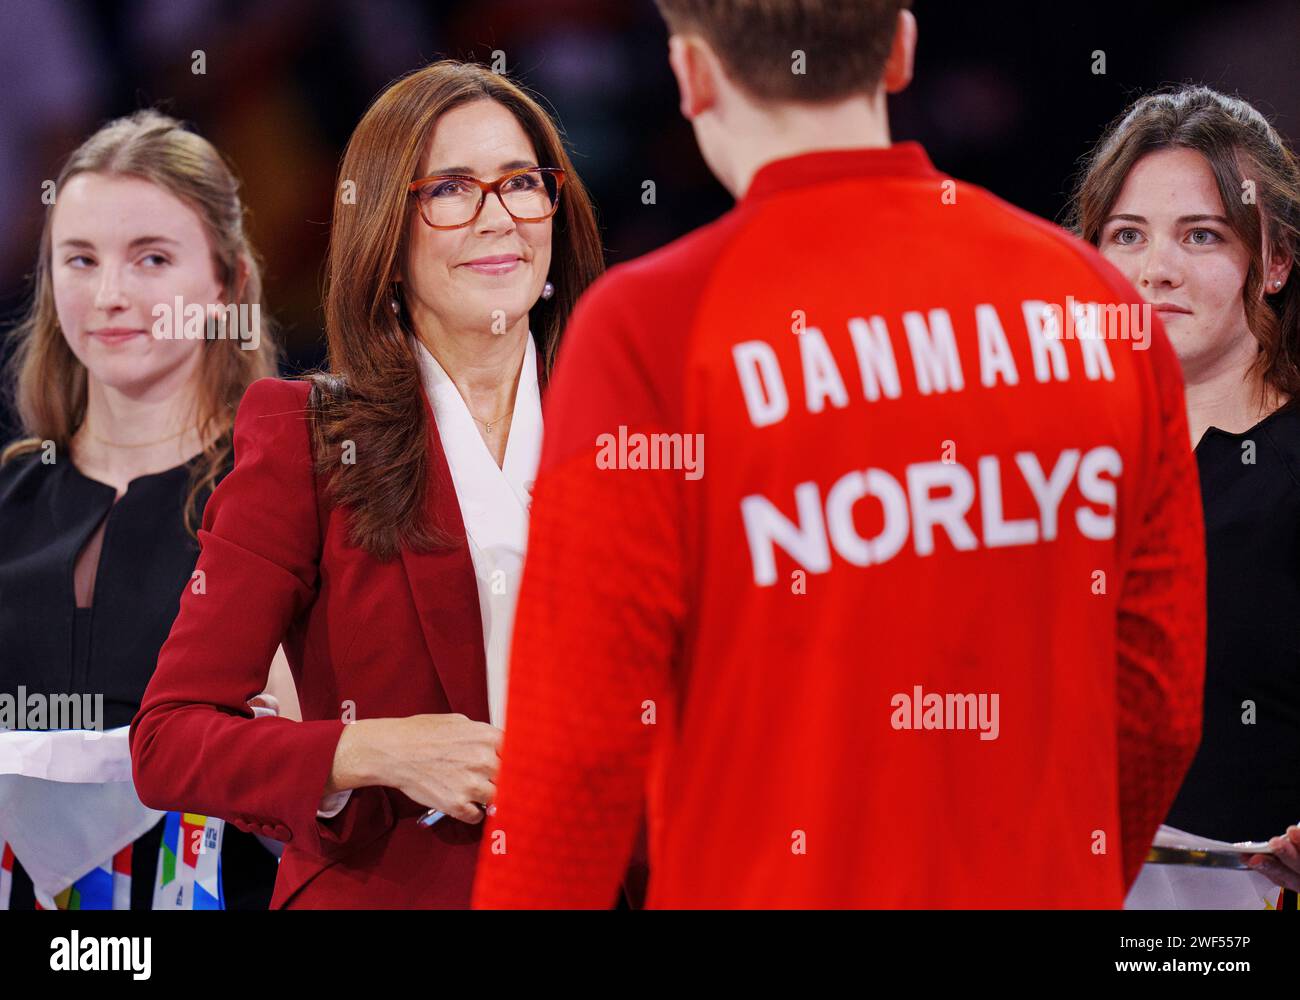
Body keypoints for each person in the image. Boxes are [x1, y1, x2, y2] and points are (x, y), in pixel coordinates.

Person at [472, 0, 1206, 908]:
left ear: (691, 72)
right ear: (900, 50)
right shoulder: (1098, 305)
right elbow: (1158, 702)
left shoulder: (648, 330)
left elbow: (576, 763)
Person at [130, 60, 604, 908]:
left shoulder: (628, 432)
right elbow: (168, 743)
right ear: (388, 234)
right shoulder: (304, 438)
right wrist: (376, 751)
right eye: (453, 189)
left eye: (522, 183)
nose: (498, 218)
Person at [0, 109, 283, 909]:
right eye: (80, 260)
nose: (112, 294)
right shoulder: (10, 503)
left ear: (226, 281)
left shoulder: (288, 500)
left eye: (152, 258)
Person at [1072, 85, 1300, 908]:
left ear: (1274, 262)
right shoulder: (1041, 471)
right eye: (1126, 235)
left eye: (1200, 235)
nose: (1154, 269)